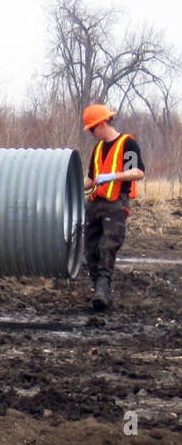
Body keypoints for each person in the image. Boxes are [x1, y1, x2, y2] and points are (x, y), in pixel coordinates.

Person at [82, 103, 145, 311]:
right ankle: (100, 291)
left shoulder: (127, 143)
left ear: (102, 124)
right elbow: (91, 179)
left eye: (92, 128)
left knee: (108, 246)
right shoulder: (98, 148)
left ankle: (102, 291)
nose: (91, 133)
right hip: (95, 204)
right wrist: (71, 185)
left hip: (116, 204)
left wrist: (113, 176)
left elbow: (137, 171)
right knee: (90, 249)